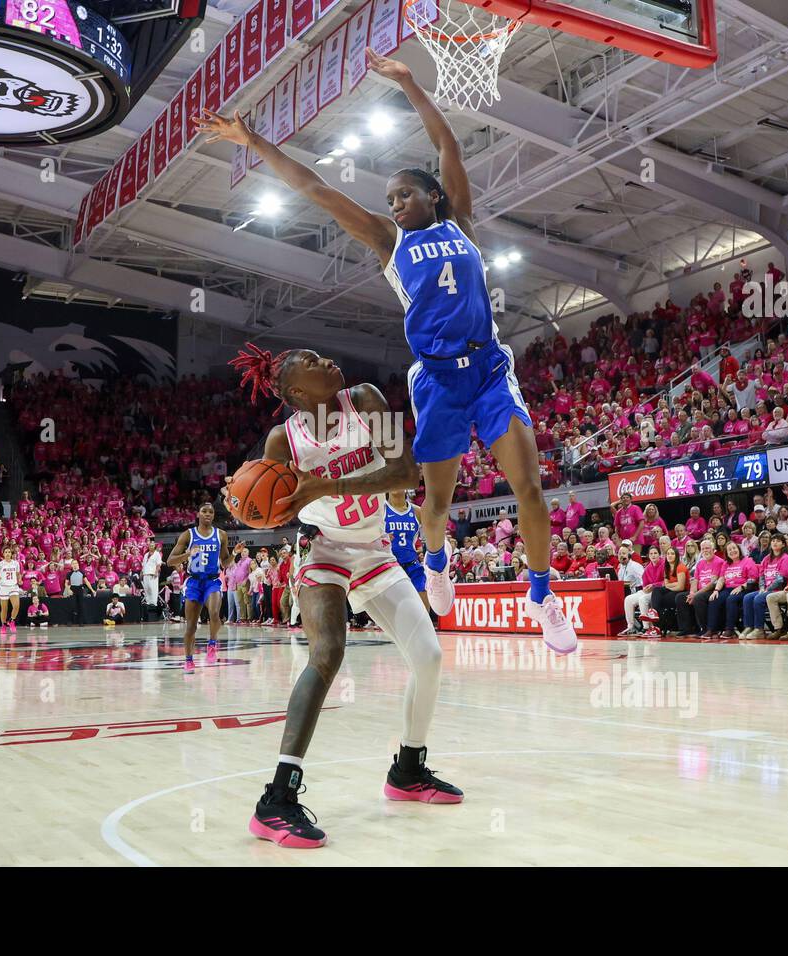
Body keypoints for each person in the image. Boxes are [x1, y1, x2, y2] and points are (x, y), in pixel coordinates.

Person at [199, 49, 575, 654]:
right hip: (437, 381)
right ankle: (435, 559)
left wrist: (409, 83)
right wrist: (253, 141)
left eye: (404, 195)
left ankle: (542, 593)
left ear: (434, 198)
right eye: (391, 198)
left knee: (528, 487)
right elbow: (315, 189)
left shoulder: (463, 224)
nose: (395, 204)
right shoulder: (386, 241)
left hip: (489, 369)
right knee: (437, 502)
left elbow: (448, 145)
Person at [228, 343, 460, 850]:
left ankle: (408, 770)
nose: (327, 361)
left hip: (374, 551)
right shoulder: (281, 441)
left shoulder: (366, 401)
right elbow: (274, 508)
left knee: (429, 656)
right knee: (327, 653)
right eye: (311, 363)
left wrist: (323, 486)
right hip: (323, 550)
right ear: (295, 392)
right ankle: (277, 799)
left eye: (322, 356)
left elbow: (405, 474)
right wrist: (243, 501)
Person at [165, 502, 232, 673]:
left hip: (212, 580)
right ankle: (188, 660)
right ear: (198, 514)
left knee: (215, 613)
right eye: (204, 511)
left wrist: (235, 554)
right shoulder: (188, 535)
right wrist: (188, 554)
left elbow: (224, 563)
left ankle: (212, 643)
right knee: (191, 627)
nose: (208, 514)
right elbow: (170, 561)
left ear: (214, 515)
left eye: (211, 512)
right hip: (194, 582)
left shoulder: (221, 535)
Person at [385, 489, 429, 612]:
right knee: (394, 608)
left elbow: (432, 533)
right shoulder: (380, 509)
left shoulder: (417, 511)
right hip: (390, 565)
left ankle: (424, 629)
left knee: (423, 600)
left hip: (411, 563)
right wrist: (382, 536)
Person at [742, 534, 788, 640]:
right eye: (773, 541)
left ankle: (759, 629)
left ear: (783, 544)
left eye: (778, 541)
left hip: (779, 590)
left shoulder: (785, 558)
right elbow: (761, 576)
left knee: (758, 599)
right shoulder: (766, 559)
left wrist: (767, 590)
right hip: (766, 589)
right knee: (747, 598)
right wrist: (762, 588)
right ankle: (749, 627)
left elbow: (781, 579)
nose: (774, 543)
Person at [0, 546, 23, 639]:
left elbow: (18, 574)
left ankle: (12, 620)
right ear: (3, 554)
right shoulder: (0, 564)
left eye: (9, 552)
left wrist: (20, 580)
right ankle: (3, 625)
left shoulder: (16, 563)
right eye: (6, 552)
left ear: (11, 553)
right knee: (4, 609)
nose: (8, 553)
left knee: (16, 606)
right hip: (3, 587)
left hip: (13, 586)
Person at [141, 543, 162, 621]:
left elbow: (158, 564)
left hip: (152, 574)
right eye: (150, 546)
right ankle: (148, 603)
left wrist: (156, 571)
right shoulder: (146, 554)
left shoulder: (157, 554)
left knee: (153, 590)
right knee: (146, 590)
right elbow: (143, 565)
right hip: (145, 574)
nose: (151, 547)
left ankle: (153, 604)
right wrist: (141, 572)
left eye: (152, 546)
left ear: (154, 547)